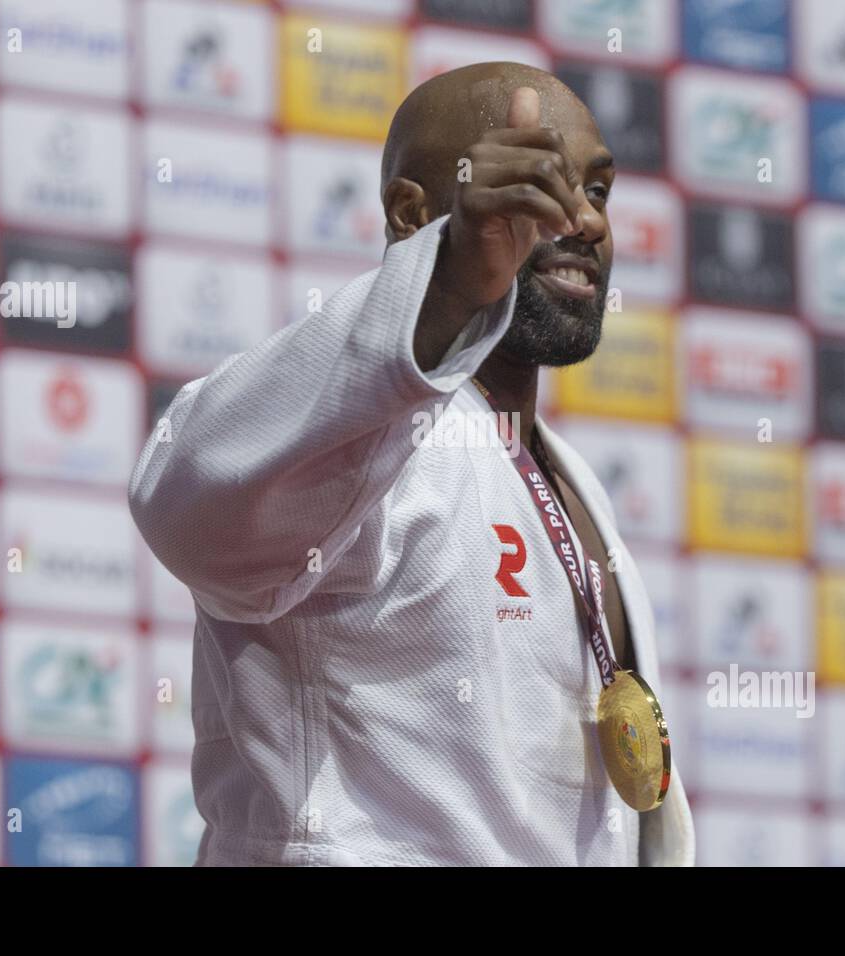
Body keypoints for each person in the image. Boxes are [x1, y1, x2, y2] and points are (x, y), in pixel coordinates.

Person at [129, 61, 694, 866]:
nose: (585, 223)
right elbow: (183, 499)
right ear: (412, 214)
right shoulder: (349, 438)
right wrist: (448, 284)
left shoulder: (573, 483)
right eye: (533, 183)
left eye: (596, 192)